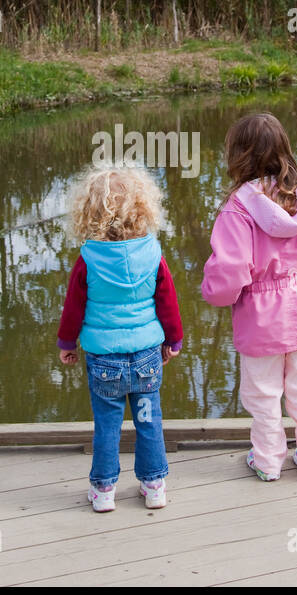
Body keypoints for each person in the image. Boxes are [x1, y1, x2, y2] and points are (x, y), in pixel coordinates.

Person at [201, 113, 297, 482]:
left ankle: (267, 461)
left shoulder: (238, 208)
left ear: (238, 156)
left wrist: (214, 293)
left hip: (261, 316)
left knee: (263, 393)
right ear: (284, 151)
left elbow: (230, 271)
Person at [58, 165, 183, 512]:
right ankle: (154, 485)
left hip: (105, 360)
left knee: (108, 425)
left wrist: (67, 344)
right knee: (148, 420)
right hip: (146, 357)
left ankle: (104, 492)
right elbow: (168, 302)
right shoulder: (153, 254)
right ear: (142, 208)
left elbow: (73, 310)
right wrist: (174, 340)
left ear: (89, 213)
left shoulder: (87, 260)